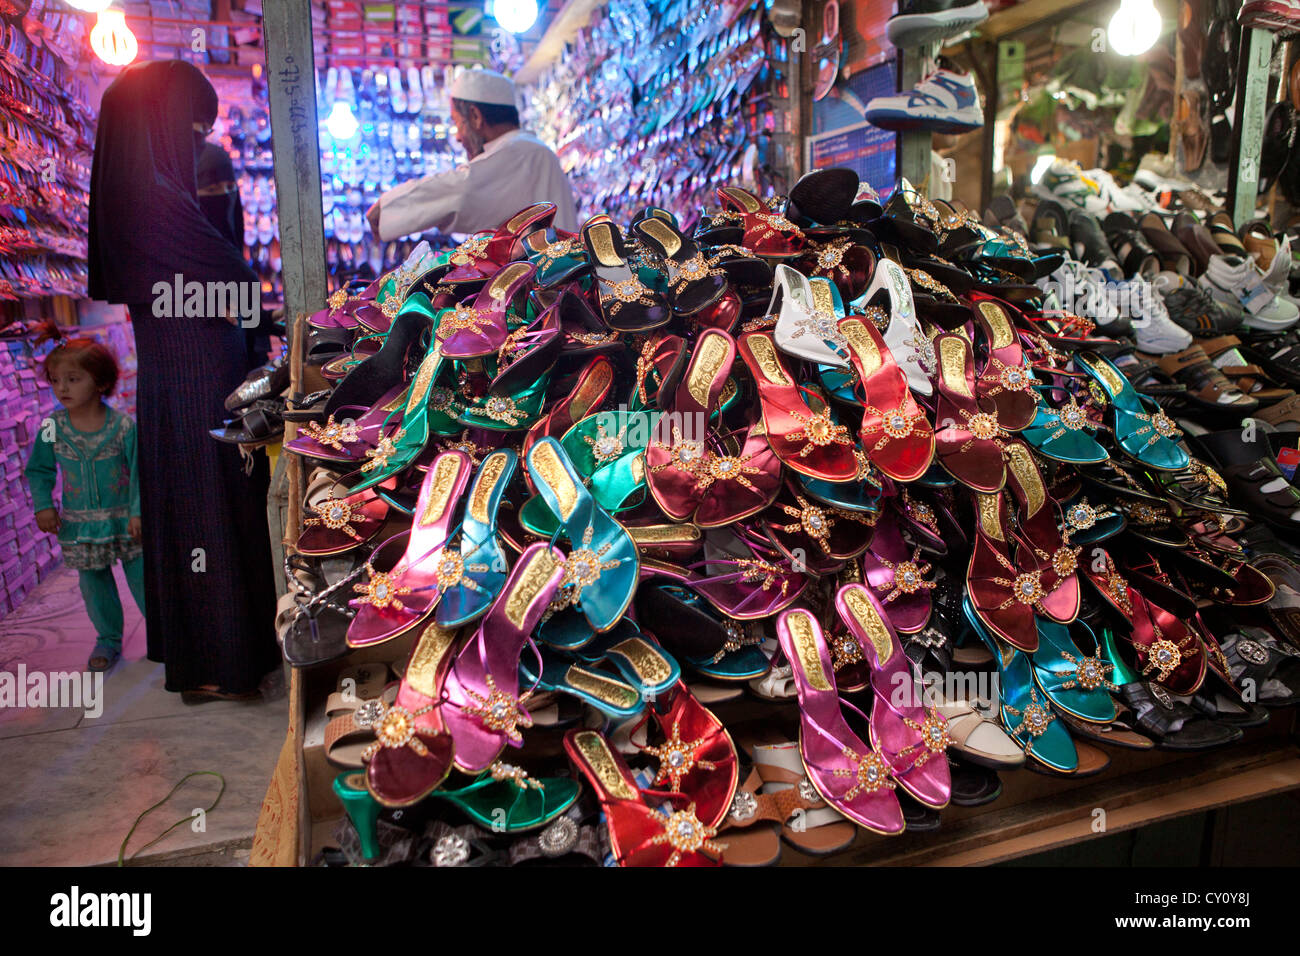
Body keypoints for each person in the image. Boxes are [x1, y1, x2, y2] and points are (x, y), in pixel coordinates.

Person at [87, 60, 280, 703]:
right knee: (209, 509)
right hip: (196, 372)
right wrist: (240, 294)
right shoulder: (150, 196)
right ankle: (222, 660)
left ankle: (207, 654)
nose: (199, 142)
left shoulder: (140, 188)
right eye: (192, 125)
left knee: (199, 506)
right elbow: (231, 278)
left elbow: (223, 284)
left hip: (181, 369)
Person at [26, 340, 144, 672]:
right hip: (80, 525)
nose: (61, 387)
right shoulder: (52, 428)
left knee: (143, 579)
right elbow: (39, 469)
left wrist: (137, 511)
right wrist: (43, 504)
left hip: (126, 521)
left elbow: (138, 473)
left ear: (102, 382)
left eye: (73, 379)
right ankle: (108, 639)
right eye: (55, 380)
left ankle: (166, 635)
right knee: (93, 584)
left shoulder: (123, 427)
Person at [366, 67, 578, 240]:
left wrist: (388, 207)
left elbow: (462, 189)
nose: (458, 137)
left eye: (458, 124)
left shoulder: (522, 153)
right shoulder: (526, 150)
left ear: (476, 117)